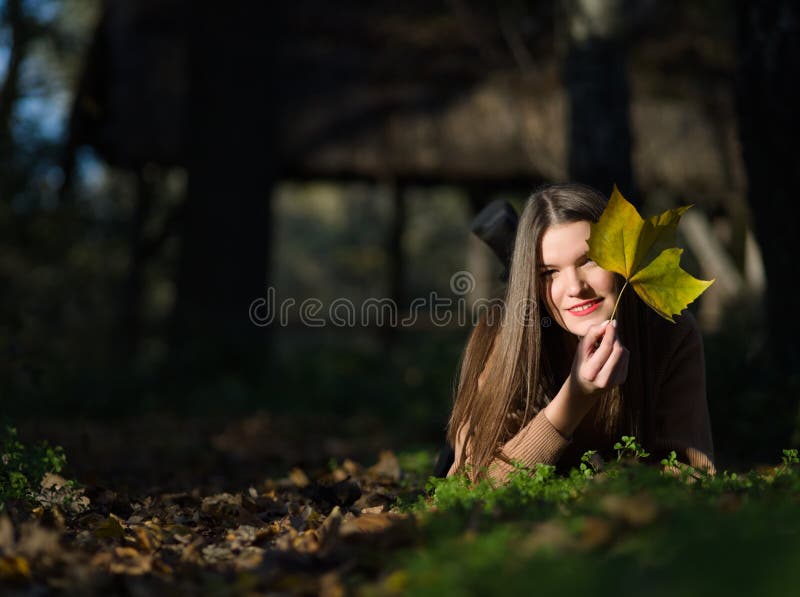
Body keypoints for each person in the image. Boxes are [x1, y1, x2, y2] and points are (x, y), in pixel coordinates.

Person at [446, 183, 715, 484]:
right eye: (549, 273)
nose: (575, 288)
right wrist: (574, 399)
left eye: (589, 260)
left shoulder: (668, 332)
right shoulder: (506, 336)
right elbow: (474, 485)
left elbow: (690, 475)